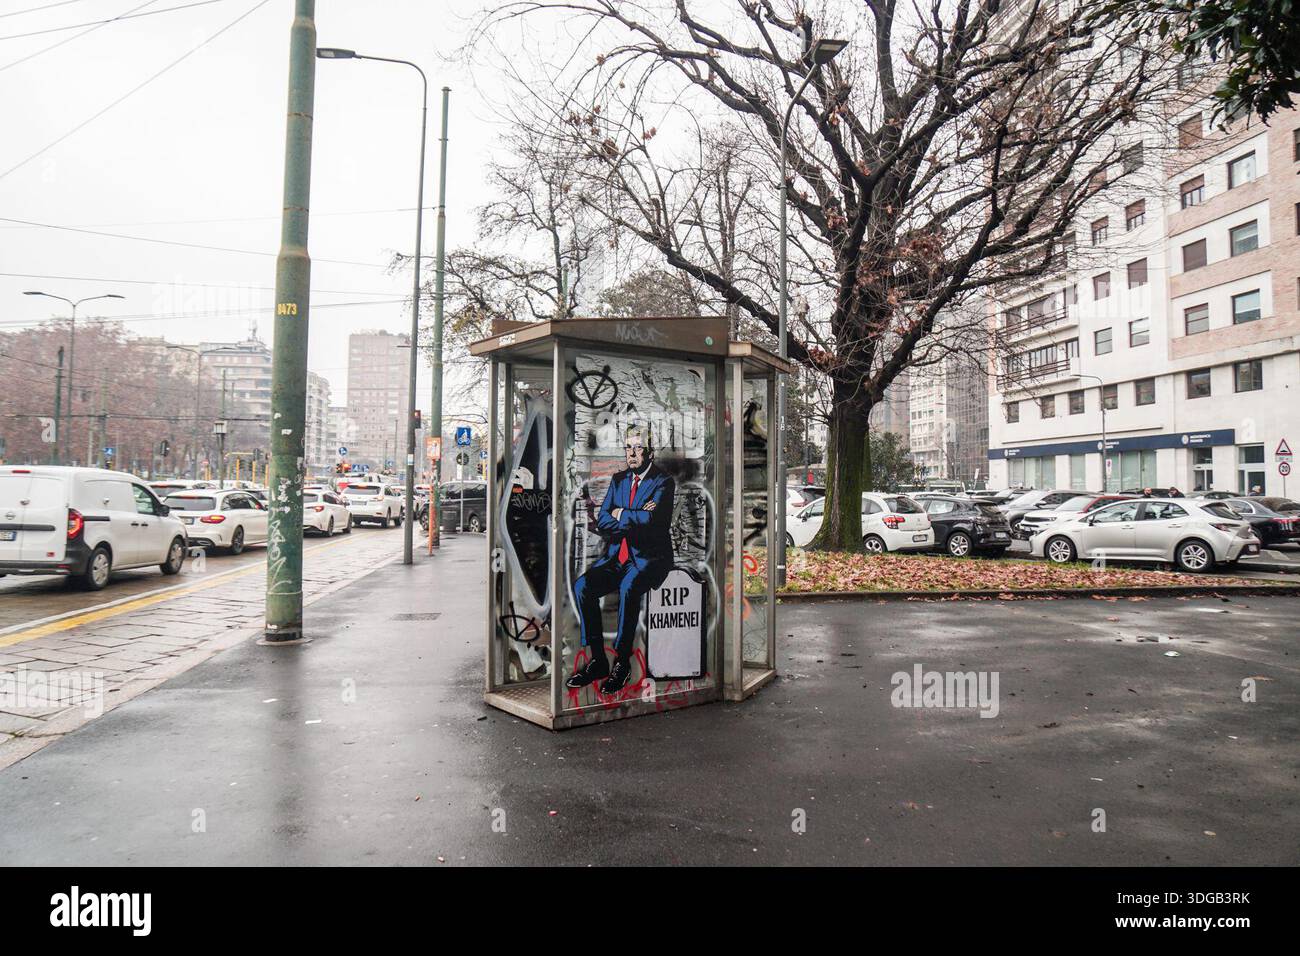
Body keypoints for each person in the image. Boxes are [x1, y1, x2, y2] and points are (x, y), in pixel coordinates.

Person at [567, 423, 675, 695]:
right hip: (618, 555)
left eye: (638, 448)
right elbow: (603, 520)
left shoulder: (663, 481)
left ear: (650, 452)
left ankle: (622, 663)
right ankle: (599, 661)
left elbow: (653, 521)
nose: (632, 454)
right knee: (583, 587)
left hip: (649, 558)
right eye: (629, 448)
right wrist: (630, 515)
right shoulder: (619, 480)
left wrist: (620, 513)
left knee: (629, 587)